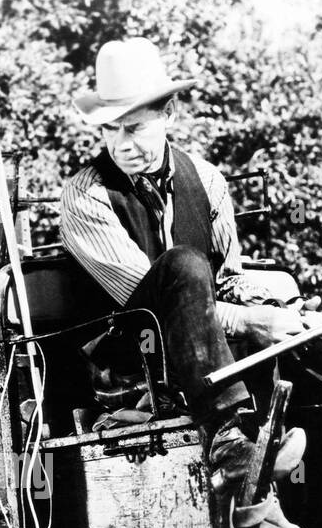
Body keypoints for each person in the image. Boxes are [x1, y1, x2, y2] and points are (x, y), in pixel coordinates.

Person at [61, 36, 308, 485]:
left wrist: (275, 312)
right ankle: (227, 441)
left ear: (168, 114)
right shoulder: (86, 195)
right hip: (129, 359)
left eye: (133, 128)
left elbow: (227, 280)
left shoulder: (209, 180)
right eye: (109, 130)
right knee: (184, 265)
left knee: (292, 317)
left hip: (204, 355)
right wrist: (248, 321)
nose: (121, 145)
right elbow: (149, 302)